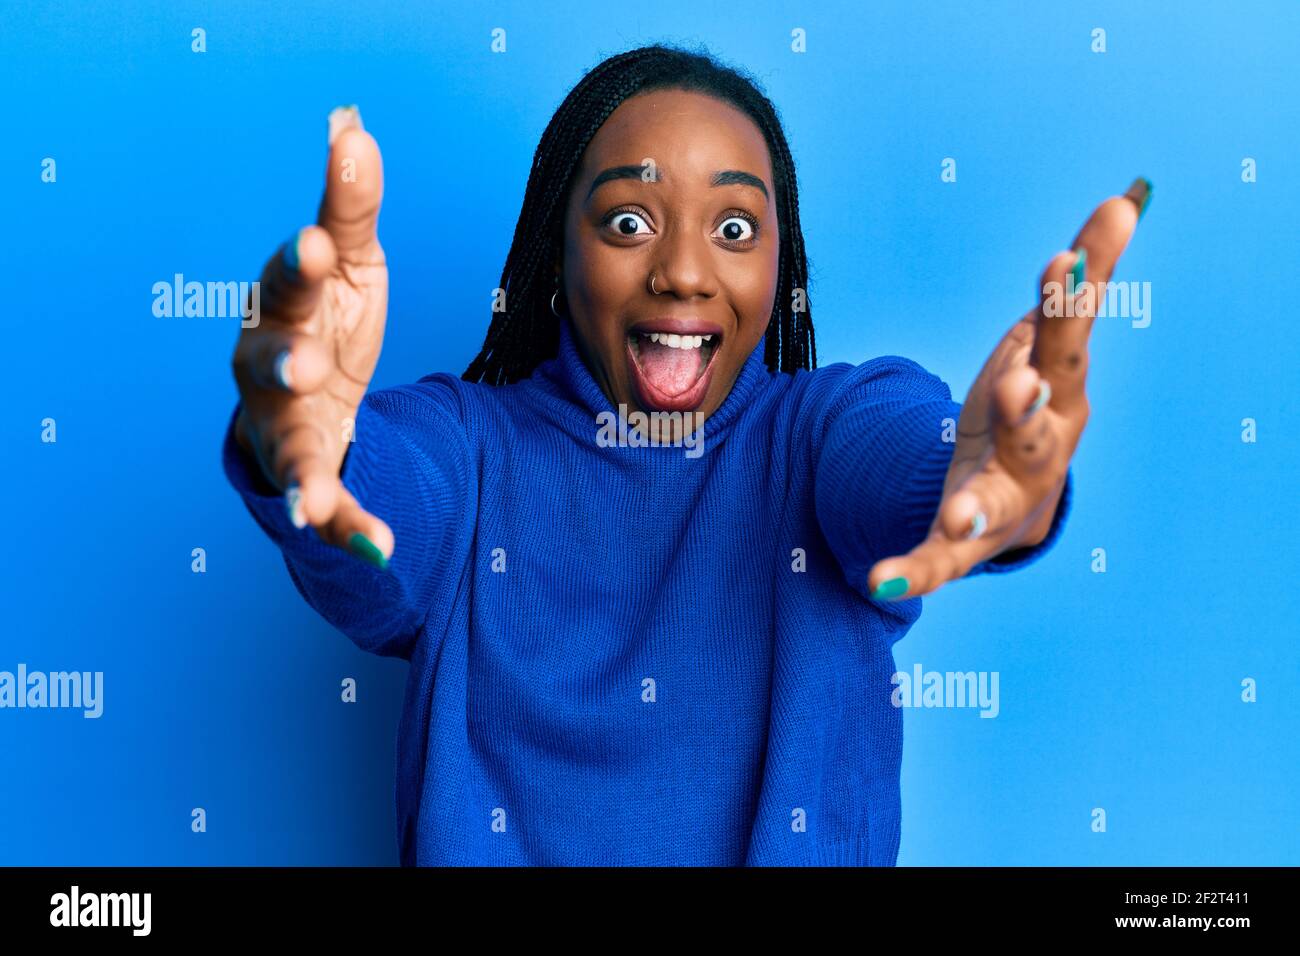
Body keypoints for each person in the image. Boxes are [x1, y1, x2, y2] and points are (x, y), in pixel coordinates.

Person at [223, 43, 1148, 865]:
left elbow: (919, 469)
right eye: (629, 222)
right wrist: (311, 442)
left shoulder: (822, 433)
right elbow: (379, 507)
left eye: (735, 229)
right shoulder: (467, 451)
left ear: (781, 265)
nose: (686, 272)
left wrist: (996, 478)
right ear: (558, 255)